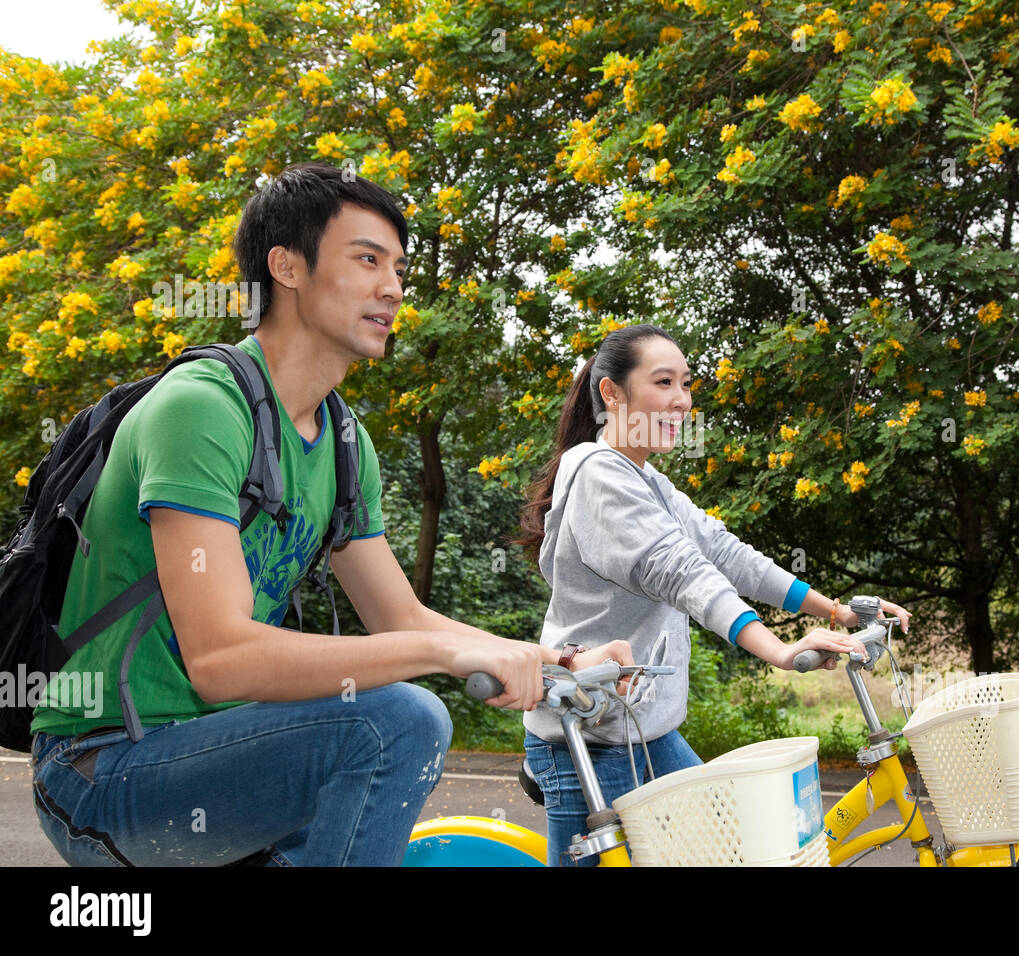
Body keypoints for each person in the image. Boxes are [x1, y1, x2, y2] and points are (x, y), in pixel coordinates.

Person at [28, 162, 628, 867]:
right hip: (104, 771)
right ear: (286, 265)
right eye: (367, 259)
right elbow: (220, 659)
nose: (394, 287)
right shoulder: (202, 408)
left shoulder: (344, 444)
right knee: (394, 723)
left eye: (399, 267)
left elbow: (402, 619)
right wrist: (441, 657)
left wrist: (550, 658)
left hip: (229, 755)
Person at [517, 323, 911, 865]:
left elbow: (726, 554)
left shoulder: (646, 479)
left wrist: (836, 611)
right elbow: (683, 573)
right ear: (612, 393)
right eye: (663, 383)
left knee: (731, 853)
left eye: (686, 383)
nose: (682, 400)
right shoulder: (598, 475)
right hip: (588, 735)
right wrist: (777, 650)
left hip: (645, 731)